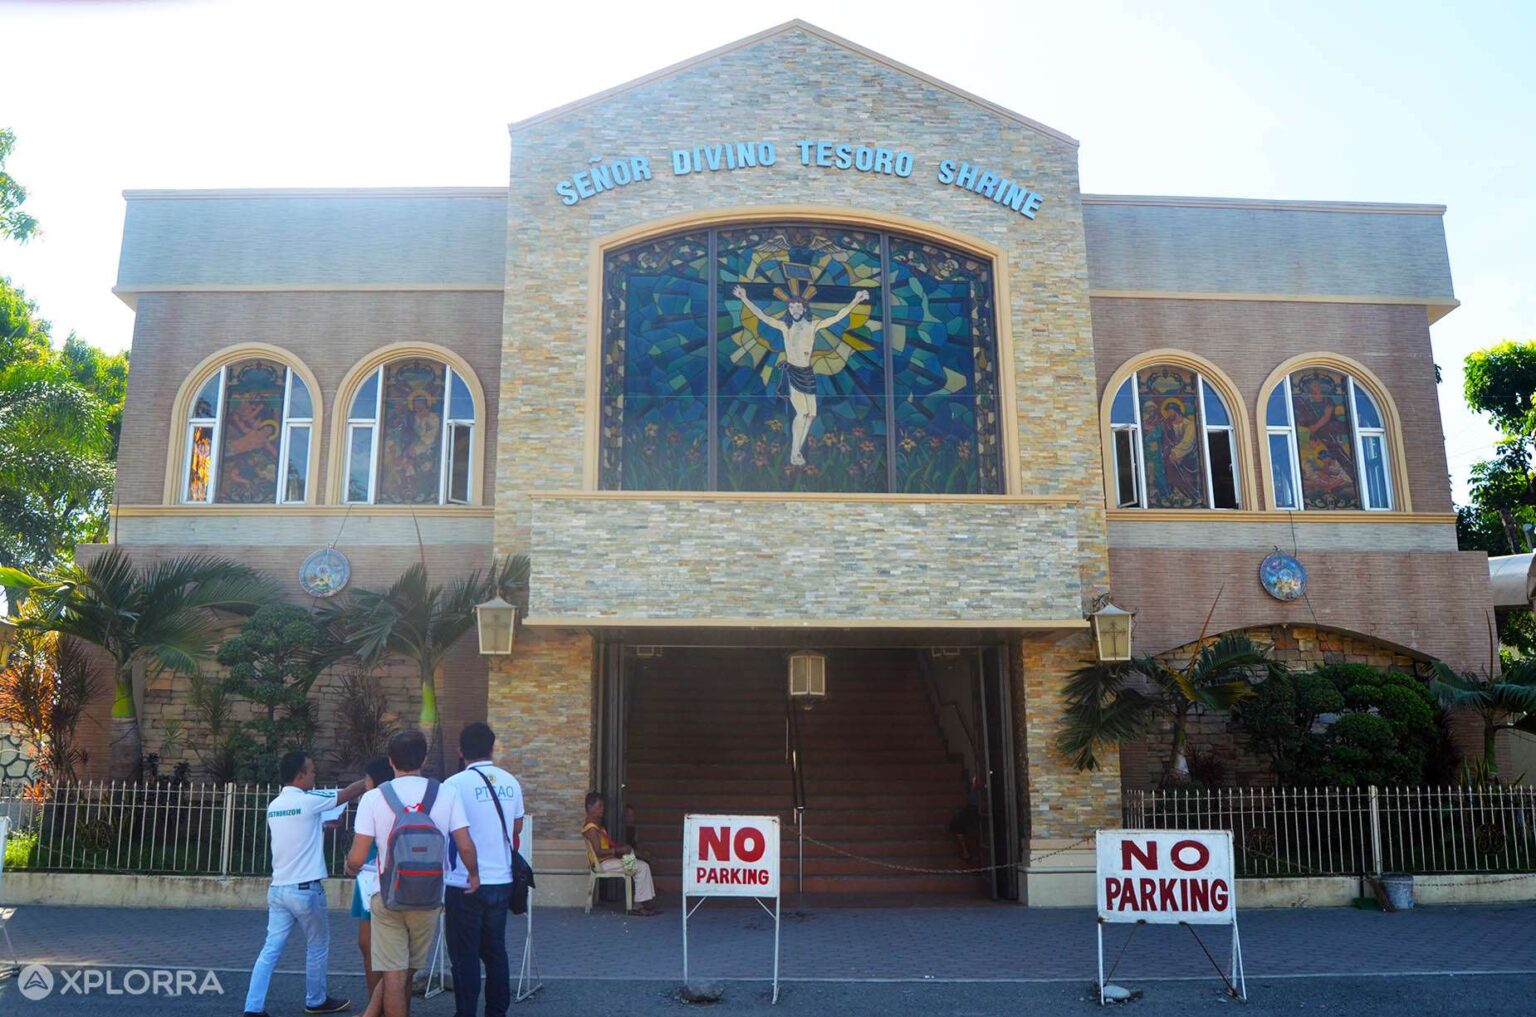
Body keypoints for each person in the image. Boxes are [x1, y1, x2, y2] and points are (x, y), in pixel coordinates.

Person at [346, 730, 479, 1017]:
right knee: (407, 969)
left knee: (393, 975)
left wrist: (350, 866)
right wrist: (474, 875)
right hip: (429, 897)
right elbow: (466, 845)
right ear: (424, 759)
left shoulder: (374, 798)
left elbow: (357, 858)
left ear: (390, 761)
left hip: (387, 896)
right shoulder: (446, 794)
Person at [242, 751, 369, 1017]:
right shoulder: (309, 801)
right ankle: (315, 1000)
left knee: (270, 949)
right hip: (306, 890)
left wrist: (322, 827)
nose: (315, 775)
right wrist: (370, 779)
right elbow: (347, 794)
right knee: (317, 945)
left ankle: (253, 1007)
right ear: (300, 776)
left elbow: (297, 832)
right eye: (311, 771)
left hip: (278, 889)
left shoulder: (274, 805)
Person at [731, 284, 869, 466]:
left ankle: (796, 452)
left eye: (798, 306)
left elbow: (837, 317)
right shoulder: (785, 327)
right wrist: (744, 298)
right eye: (791, 307)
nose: (794, 309)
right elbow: (762, 316)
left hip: (807, 373)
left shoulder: (813, 326)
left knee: (811, 415)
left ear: (804, 309)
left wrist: (856, 300)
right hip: (793, 373)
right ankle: (794, 452)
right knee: (802, 412)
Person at [443, 722, 524, 1017]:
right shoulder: (511, 782)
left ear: (460, 751)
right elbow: (517, 827)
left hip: (463, 880)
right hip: (501, 879)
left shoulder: (453, 785)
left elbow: (446, 831)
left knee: (464, 956)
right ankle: (497, 1012)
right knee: (496, 952)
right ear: (492, 748)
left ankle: (466, 1012)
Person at [351, 756, 395, 1006]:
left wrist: (351, 863)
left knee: (372, 946)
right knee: (369, 945)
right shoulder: (382, 801)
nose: (364, 782)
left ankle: (378, 1007)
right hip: (371, 879)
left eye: (366, 778)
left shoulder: (372, 801)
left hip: (372, 879)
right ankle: (378, 1006)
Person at [581, 791, 658, 916]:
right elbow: (598, 852)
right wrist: (617, 851)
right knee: (642, 867)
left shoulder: (595, 827)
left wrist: (620, 849)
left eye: (603, 806)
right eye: (599, 806)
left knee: (641, 865)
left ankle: (642, 902)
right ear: (590, 807)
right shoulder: (592, 829)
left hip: (607, 862)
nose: (602, 809)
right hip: (603, 864)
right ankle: (638, 905)